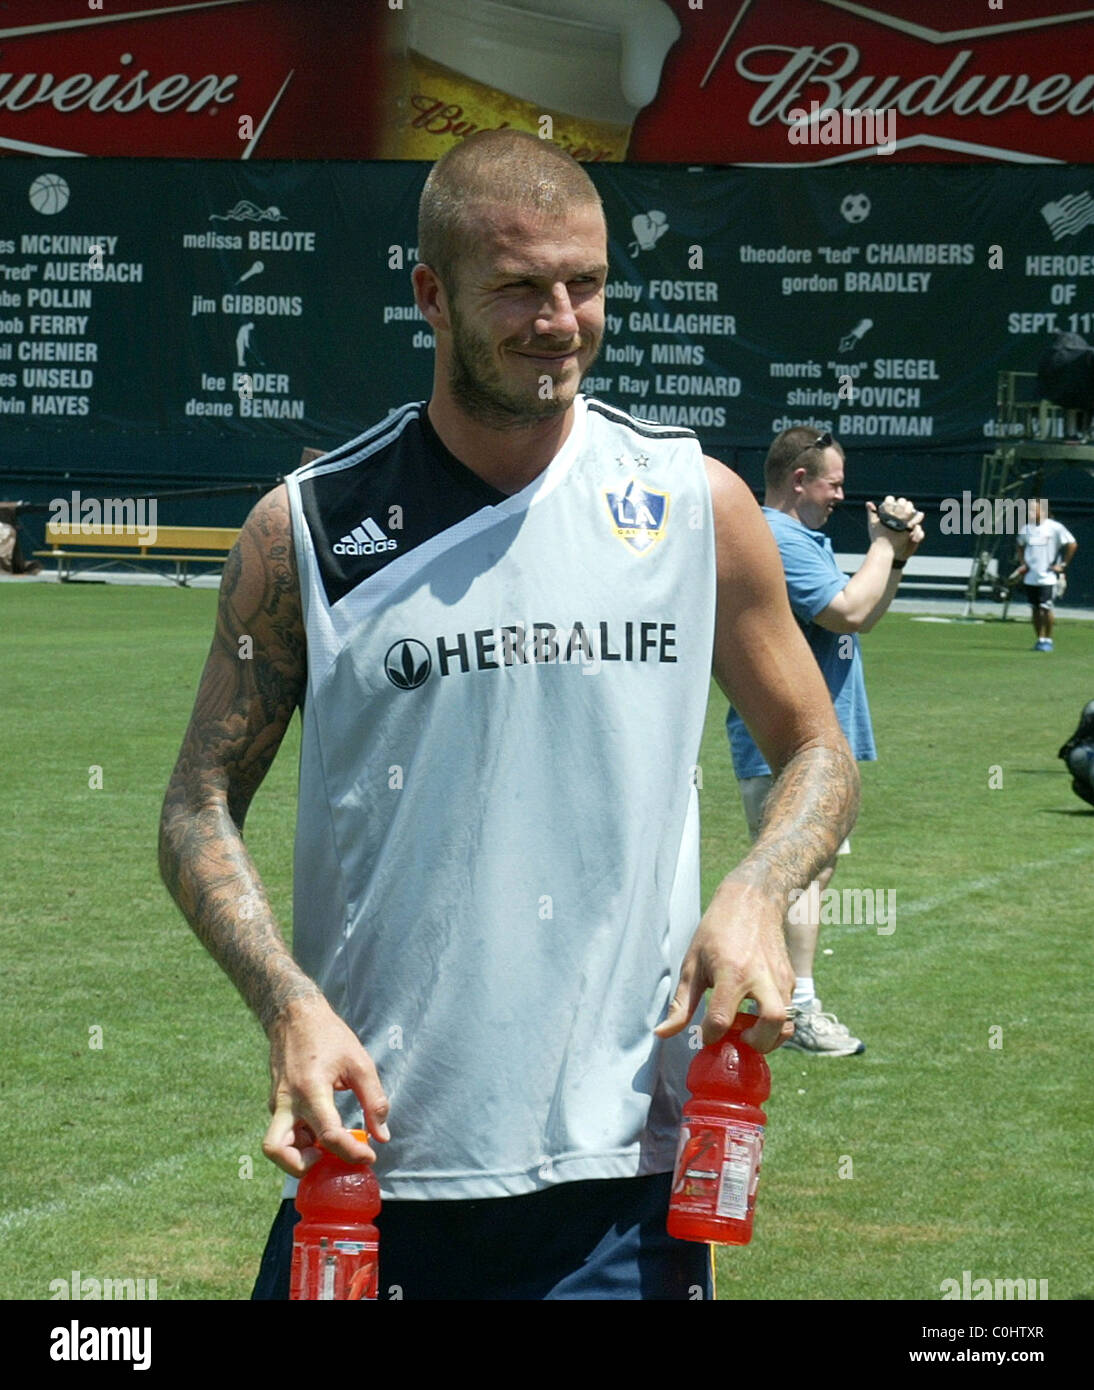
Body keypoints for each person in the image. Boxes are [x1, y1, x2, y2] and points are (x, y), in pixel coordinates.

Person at [158, 131, 858, 1301]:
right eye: (519, 288)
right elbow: (196, 806)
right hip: (375, 1162)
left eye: (583, 284)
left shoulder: (693, 503)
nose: (559, 321)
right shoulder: (310, 530)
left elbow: (816, 751)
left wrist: (755, 888)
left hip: (624, 1189)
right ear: (430, 296)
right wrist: (286, 1001)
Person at [726, 427, 923, 1056]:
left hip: (803, 741)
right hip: (786, 740)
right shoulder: (778, 536)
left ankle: (775, 1007)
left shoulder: (795, 536)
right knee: (796, 876)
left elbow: (867, 610)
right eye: (833, 482)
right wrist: (882, 547)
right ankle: (797, 1012)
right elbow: (850, 611)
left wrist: (895, 556)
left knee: (806, 874)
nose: (841, 493)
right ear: (799, 479)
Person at [1015, 498, 1077, 651]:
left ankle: (1048, 639)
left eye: (1032, 510)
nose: (1029, 513)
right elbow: (1020, 545)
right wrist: (1023, 563)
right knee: (1035, 609)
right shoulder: (1026, 529)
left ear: (1042, 511)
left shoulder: (1055, 528)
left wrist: (1062, 565)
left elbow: (1072, 543)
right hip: (1031, 577)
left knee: (1046, 608)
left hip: (1048, 576)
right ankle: (1040, 639)